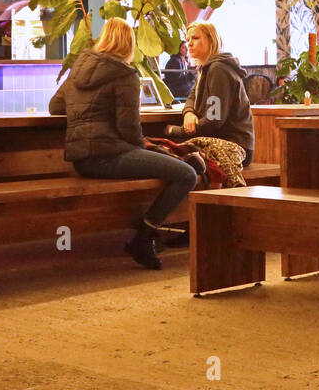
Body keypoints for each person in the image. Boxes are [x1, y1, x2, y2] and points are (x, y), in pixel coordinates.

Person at [49, 18, 197, 269]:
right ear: (129, 43)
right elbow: (129, 130)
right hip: (109, 155)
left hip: (82, 161)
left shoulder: (79, 67)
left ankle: (146, 235)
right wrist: (149, 148)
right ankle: (144, 236)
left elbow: (55, 107)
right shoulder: (125, 73)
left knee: (173, 166)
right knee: (186, 173)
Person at [165, 22, 255, 166]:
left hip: (235, 147)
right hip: (219, 138)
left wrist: (176, 130)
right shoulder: (206, 68)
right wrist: (189, 113)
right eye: (188, 40)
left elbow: (214, 119)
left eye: (195, 38)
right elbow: (192, 96)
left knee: (166, 148)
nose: (189, 44)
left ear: (211, 40)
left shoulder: (218, 69)